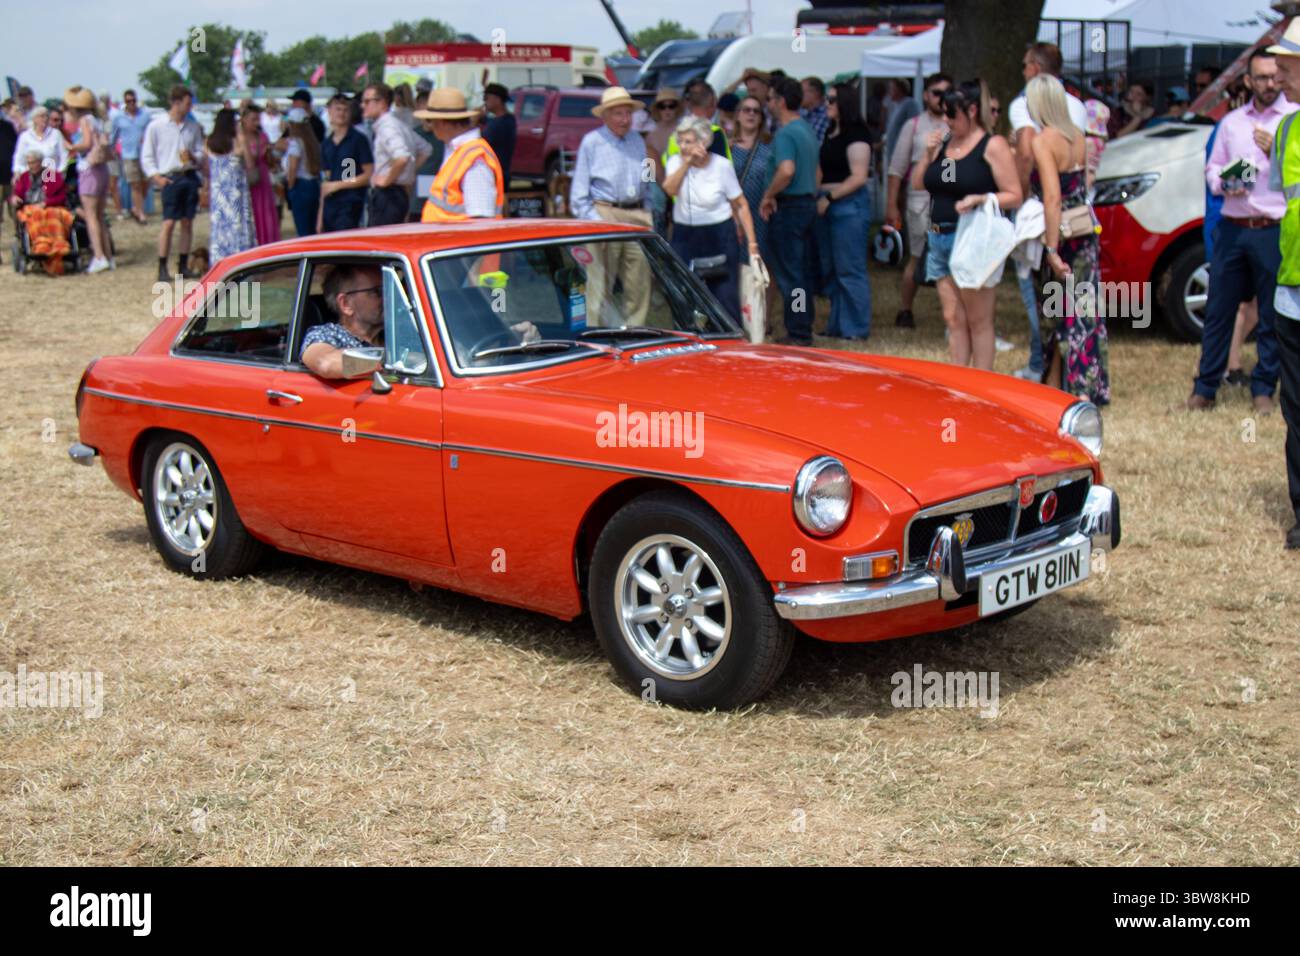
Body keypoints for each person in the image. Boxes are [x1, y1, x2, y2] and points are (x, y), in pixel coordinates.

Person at [1186, 48, 1296, 414]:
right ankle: (1205, 388)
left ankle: (1264, 388)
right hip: (1234, 225)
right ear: (1248, 80)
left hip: (1271, 227)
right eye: (1261, 77)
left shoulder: (1292, 119)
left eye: (1274, 76)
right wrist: (1223, 182)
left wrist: (1273, 152)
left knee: (1270, 313)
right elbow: (1212, 169)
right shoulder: (1232, 122)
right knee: (1219, 310)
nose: (1270, 83)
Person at [912, 79, 1022, 371]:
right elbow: (921, 182)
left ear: (972, 111)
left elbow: (1014, 194)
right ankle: (959, 380)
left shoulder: (992, 145)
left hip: (972, 240)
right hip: (940, 238)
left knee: (978, 320)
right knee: (953, 318)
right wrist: (927, 154)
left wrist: (980, 198)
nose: (946, 120)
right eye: (944, 113)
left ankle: (981, 382)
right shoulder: (947, 144)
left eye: (952, 114)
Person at [1024, 75, 1108, 402]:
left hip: (1061, 237)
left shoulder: (1043, 141)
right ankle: (1080, 386)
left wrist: (1050, 248)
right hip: (1084, 232)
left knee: (1056, 313)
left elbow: (1052, 197)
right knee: (1084, 311)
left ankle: (1065, 387)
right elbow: (1081, 187)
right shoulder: (1078, 136)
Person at [569, 86, 653, 327]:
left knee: (639, 280)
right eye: (618, 114)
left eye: (627, 113)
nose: (624, 119)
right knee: (600, 281)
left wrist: (648, 208)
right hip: (605, 211)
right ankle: (597, 334)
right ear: (605, 116)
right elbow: (578, 192)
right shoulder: (592, 142)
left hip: (636, 212)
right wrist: (595, 220)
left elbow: (648, 176)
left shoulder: (638, 140)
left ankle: (636, 331)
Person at [663, 115, 760, 320]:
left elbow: (740, 204)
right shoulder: (675, 162)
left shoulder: (721, 165)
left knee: (725, 295)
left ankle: (729, 339)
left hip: (719, 233)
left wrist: (752, 244)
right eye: (680, 141)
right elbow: (669, 189)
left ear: (703, 142)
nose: (682, 146)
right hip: (685, 234)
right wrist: (687, 163)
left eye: (688, 142)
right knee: (683, 292)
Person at [1264, 21, 1300, 549]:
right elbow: (1281, 196)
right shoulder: (1287, 129)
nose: (1279, 71)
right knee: (1296, 409)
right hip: (1291, 292)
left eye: (1289, 63)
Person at [887, 72, 952, 329]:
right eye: (936, 93)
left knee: (949, 259)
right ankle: (905, 310)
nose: (941, 98)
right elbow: (896, 168)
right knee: (917, 257)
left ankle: (952, 318)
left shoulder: (958, 125)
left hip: (949, 199)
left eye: (946, 93)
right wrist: (891, 205)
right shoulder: (913, 125)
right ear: (925, 95)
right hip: (920, 200)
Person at [759, 77, 822, 346]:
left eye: (770, 99)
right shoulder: (806, 129)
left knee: (790, 274)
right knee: (802, 271)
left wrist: (768, 195)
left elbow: (786, 170)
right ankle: (803, 324)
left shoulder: (785, 133)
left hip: (790, 208)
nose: (768, 104)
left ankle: (797, 331)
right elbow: (817, 173)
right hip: (806, 205)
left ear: (781, 102)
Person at [814, 83, 872, 340]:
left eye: (832, 100)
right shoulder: (829, 132)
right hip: (828, 204)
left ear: (845, 103)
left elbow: (859, 176)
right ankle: (837, 325)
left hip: (848, 205)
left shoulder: (856, 133)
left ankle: (856, 329)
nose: (827, 104)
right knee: (833, 270)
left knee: (850, 269)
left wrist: (829, 196)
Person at [141, 85, 205, 282]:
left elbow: (201, 152)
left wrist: (195, 157)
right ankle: (162, 266)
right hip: (170, 176)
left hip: (188, 175)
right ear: (176, 103)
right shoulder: (157, 126)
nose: (190, 107)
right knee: (168, 223)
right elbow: (147, 155)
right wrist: (156, 177)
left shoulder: (193, 127)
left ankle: (183, 265)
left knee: (187, 222)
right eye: (187, 103)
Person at [416, 89, 504, 222]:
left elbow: (481, 221)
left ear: (442, 122)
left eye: (430, 120)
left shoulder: (475, 159)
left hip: (456, 241)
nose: (430, 126)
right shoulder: (460, 151)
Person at [362, 82, 432, 227]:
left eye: (368, 101)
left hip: (387, 193)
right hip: (396, 191)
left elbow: (402, 157)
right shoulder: (396, 124)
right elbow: (426, 149)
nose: (363, 105)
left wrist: (388, 179)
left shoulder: (387, 127)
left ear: (382, 103)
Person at [301, 264, 384, 378]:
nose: (388, 297)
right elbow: (326, 364)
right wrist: (389, 360)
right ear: (346, 304)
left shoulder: (394, 333)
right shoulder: (327, 334)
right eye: (377, 292)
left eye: (389, 289)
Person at [63, 86, 113, 273]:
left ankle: (99, 256)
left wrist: (71, 146)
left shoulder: (84, 120)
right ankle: (107, 255)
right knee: (99, 216)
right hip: (101, 169)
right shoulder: (97, 120)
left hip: (89, 169)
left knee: (91, 216)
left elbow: (86, 143)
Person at [11, 149, 75, 275]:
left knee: (51, 214)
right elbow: (17, 194)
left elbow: (61, 196)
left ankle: (57, 245)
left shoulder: (50, 175)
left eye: (33, 162)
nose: (31, 166)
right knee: (34, 216)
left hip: (52, 206)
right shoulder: (24, 177)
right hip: (31, 208)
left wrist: (45, 204)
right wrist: (14, 198)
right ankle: (41, 244)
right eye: (28, 163)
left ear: (40, 162)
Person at [205, 108, 255, 264]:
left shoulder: (208, 142)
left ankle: (220, 260)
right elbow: (250, 164)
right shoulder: (238, 141)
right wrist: (242, 138)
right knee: (238, 227)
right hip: (236, 193)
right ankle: (241, 259)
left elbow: (207, 168)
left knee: (220, 228)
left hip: (219, 194)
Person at [318, 93, 373, 232]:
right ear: (329, 111)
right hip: (330, 206)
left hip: (350, 203)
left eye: (345, 110)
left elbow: (368, 174)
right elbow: (326, 181)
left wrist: (339, 185)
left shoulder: (358, 140)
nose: (341, 113)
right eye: (338, 109)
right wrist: (319, 218)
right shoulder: (326, 143)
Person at [730, 94, 772, 269]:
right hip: (733, 213)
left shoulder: (769, 148)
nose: (751, 114)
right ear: (738, 115)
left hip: (761, 214)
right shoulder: (727, 147)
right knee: (734, 265)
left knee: (761, 266)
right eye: (746, 110)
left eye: (756, 111)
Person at [238, 104, 279, 246]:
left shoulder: (262, 136)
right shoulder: (238, 139)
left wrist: (269, 154)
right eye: (253, 119)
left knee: (265, 214)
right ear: (243, 119)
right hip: (245, 181)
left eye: (258, 119)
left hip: (262, 179)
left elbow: (271, 163)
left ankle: (268, 244)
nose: (256, 123)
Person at [110, 89, 153, 224]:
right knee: (135, 184)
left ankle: (136, 207)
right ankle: (140, 213)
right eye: (129, 101)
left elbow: (152, 132)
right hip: (128, 155)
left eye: (133, 100)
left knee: (146, 182)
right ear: (125, 102)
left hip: (144, 154)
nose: (132, 103)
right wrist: (111, 150)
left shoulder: (145, 116)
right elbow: (113, 136)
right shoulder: (119, 118)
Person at [664, 80, 731, 163]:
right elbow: (722, 170)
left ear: (689, 104)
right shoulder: (714, 132)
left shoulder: (675, 134)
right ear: (713, 101)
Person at [281, 108, 322, 237]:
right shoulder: (313, 142)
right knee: (312, 228)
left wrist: (290, 187)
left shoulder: (295, 143)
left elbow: (293, 168)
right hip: (313, 184)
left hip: (300, 186)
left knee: (303, 229)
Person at [12, 106, 68, 179]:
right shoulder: (25, 136)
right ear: (34, 119)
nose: (45, 119)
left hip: (52, 177)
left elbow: (64, 155)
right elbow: (18, 158)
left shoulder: (56, 134)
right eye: (42, 116)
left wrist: (60, 172)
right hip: (30, 178)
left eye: (46, 116)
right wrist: (18, 172)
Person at [482, 82, 516, 185]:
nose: (485, 102)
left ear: (497, 99)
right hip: (498, 173)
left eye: (487, 98)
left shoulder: (501, 123)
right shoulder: (507, 120)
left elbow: (482, 143)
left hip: (496, 175)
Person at [800, 76, 830, 143]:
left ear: (814, 93)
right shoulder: (802, 113)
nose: (798, 95)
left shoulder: (827, 115)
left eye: (801, 91)